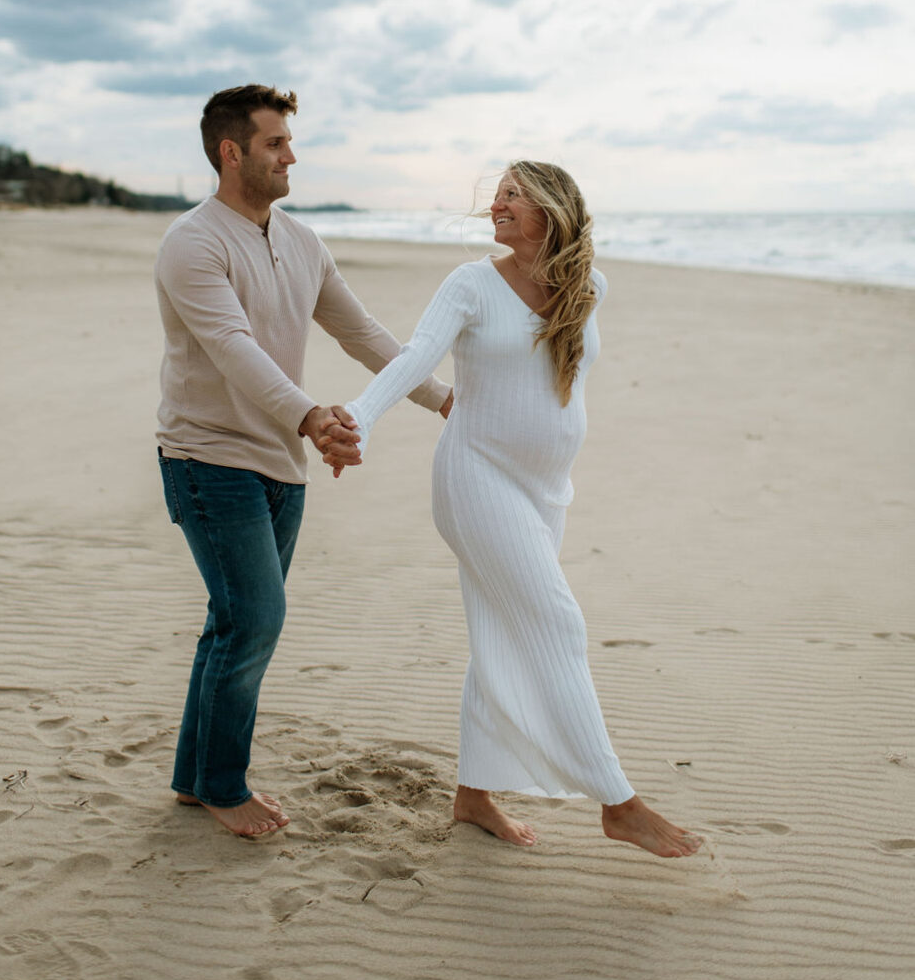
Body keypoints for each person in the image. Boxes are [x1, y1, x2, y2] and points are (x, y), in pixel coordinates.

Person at [326, 161, 702, 857]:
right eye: (496, 195)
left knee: (500, 631)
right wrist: (359, 419)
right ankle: (618, 802)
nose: (496, 204)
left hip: (545, 490)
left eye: (512, 195)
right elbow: (414, 358)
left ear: (551, 212)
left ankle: (472, 798)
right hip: (476, 478)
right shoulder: (470, 284)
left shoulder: (589, 288)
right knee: (555, 622)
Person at [155, 84, 452, 838]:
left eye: (289, 141)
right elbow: (232, 349)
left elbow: (366, 336)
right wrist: (314, 417)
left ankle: (195, 780)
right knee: (255, 618)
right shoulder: (193, 242)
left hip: (280, 463)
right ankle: (224, 786)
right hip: (207, 456)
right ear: (232, 152)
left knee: (233, 621)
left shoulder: (301, 241)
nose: (292, 155)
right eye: (276, 143)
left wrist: (444, 400)